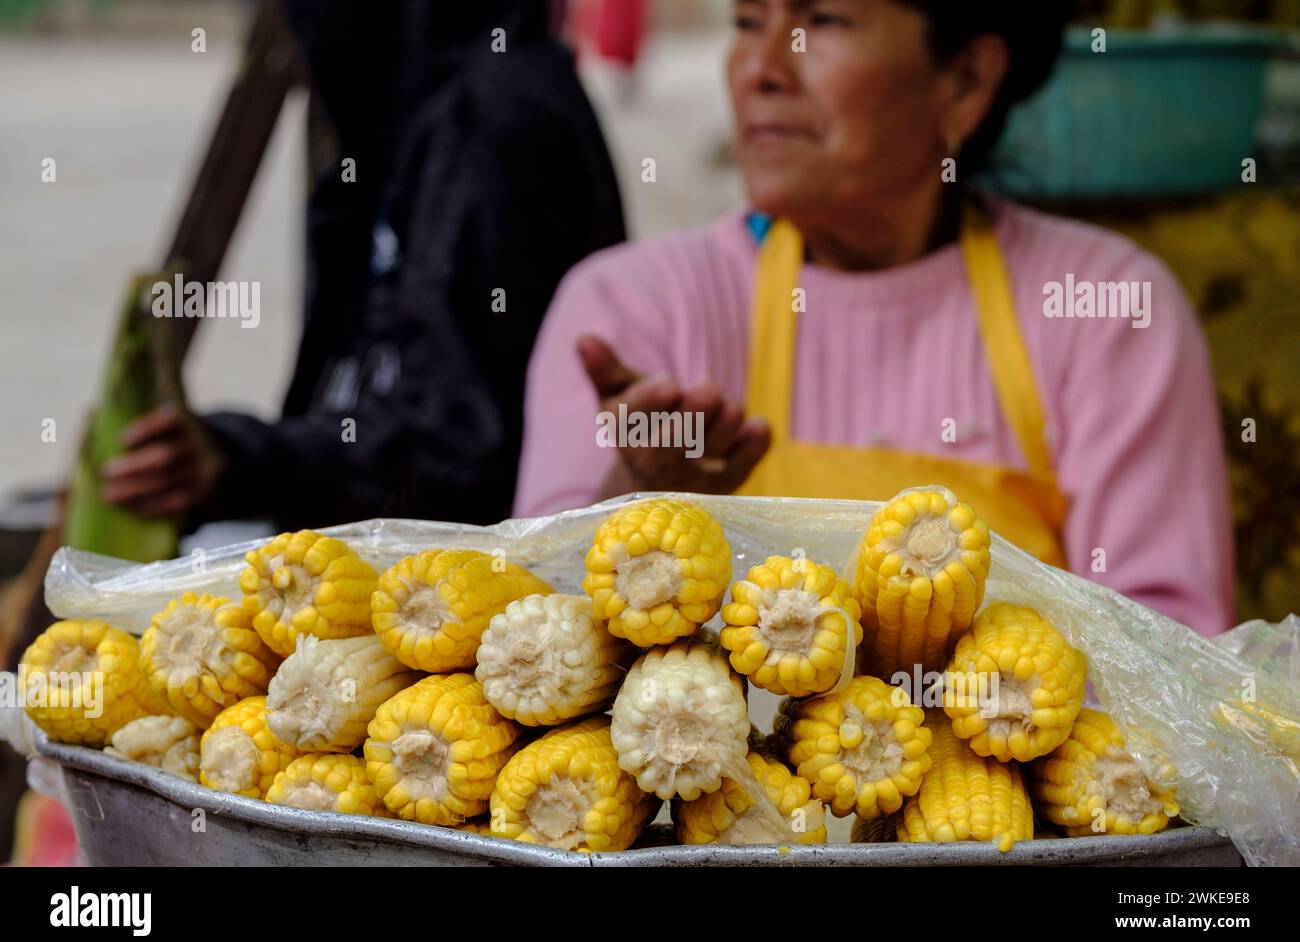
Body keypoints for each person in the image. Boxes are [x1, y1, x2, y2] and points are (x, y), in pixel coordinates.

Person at [514, 0, 1235, 635]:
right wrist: (629, 507)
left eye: (820, 21)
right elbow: (528, 646)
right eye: (745, 22)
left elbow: (1174, 661)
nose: (760, 68)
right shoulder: (631, 309)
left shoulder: (1104, 308)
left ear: (964, 83)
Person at [101, 0, 625, 530]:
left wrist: (251, 462)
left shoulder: (496, 123)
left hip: (452, 585)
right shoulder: (387, 116)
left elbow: (468, 450)